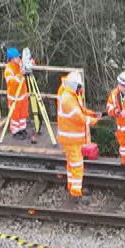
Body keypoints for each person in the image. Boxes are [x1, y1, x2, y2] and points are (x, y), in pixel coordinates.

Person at [55, 71, 100, 199]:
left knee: (71, 164)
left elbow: (80, 110)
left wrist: (91, 113)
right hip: (72, 138)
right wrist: (93, 120)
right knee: (76, 164)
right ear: (74, 86)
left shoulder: (70, 94)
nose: (81, 90)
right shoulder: (68, 99)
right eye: (80, 87)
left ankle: (72, 186)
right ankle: (76, 192)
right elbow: (79, 118)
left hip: (70, 137)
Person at [2, 47, 30, 140]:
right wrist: (20, 74)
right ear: (12, 59)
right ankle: (15, 131)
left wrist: (30, 63)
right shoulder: (8, 70)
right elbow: (11, 82)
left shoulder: (20, 64)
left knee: (22, 114)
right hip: (14, 97)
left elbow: (27, 64)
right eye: (17, 57)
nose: (19, 59)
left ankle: (22, 129)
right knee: (15, 115)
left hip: (22, 95)